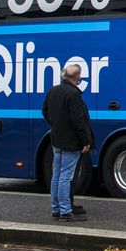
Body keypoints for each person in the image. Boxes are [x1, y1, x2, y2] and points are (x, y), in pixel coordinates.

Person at [42, 64, 92, 222]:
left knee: (56, 174)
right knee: (66, 176)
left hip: (56, 139)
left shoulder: (53, 90)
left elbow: (45, 111)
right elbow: (79, 121)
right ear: (77, 77)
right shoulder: (74, 94)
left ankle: (56, 208)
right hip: (70, 141)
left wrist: (55, 124)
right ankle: (65, 211)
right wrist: (86, 141)